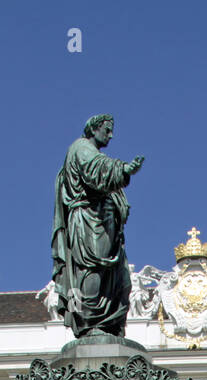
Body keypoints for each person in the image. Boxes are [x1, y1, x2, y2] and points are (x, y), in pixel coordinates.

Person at [51, 114, 145, 337]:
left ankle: (109, 324)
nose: (111, 135)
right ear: (94, 129)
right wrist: (123, 169)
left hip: (103, 221)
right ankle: (89, 322)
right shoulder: (81, 147)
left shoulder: (93, 153)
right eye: (107, 129)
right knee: (92, 267)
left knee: (119, 277)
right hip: (89, 220)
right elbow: (95, 170)